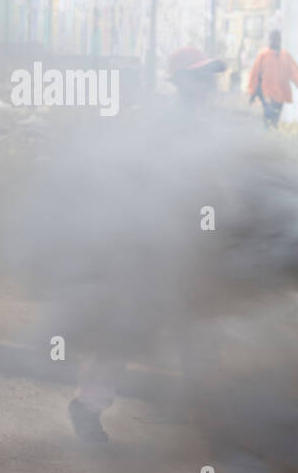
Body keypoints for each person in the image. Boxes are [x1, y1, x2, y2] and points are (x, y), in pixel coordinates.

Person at [67, 46, 223, 442]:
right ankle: (88, 405)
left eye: (211, 75)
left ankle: (200, 412)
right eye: (202, 76)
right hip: (151, 246)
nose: (211, 83)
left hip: (176, 246)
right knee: (129, 328)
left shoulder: (196, 121)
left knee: (195, 329)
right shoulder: (173, 123)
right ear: (183, 82)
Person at [246, 30, 298, 129]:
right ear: (270, 40)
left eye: (277, 39)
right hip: (266, 92)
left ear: (280, 40)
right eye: (273, 38)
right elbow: (255, 74)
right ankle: (268, 135)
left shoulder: (285, 55)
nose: (275, 41)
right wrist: (252, 92)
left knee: (275, 116)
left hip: (280, 93)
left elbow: (294, 71)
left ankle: (272, 136)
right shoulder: (263, 55)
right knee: (269, 113)